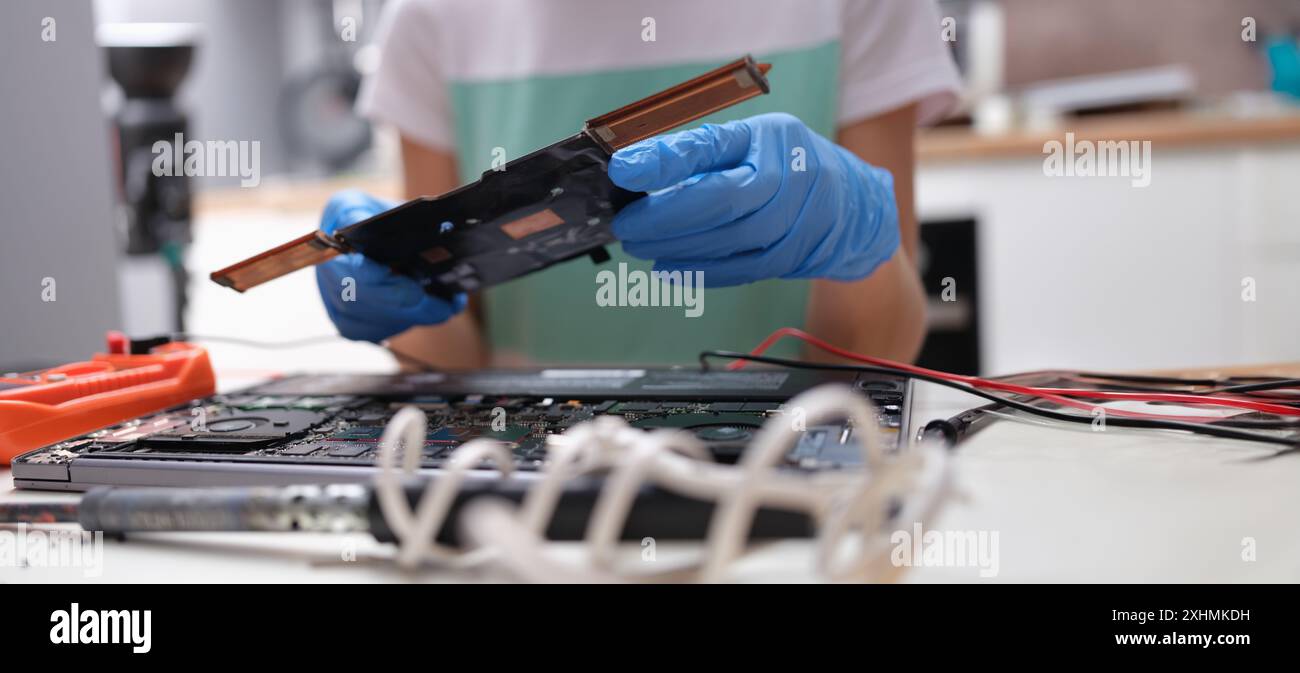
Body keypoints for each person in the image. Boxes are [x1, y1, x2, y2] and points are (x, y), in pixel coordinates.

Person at [317, 0, 962, 368]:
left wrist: (860, 236)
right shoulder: (429, 17)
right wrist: (395, 291)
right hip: (521, 482)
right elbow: (453, 358)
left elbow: (884, 348)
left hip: (788, 474)